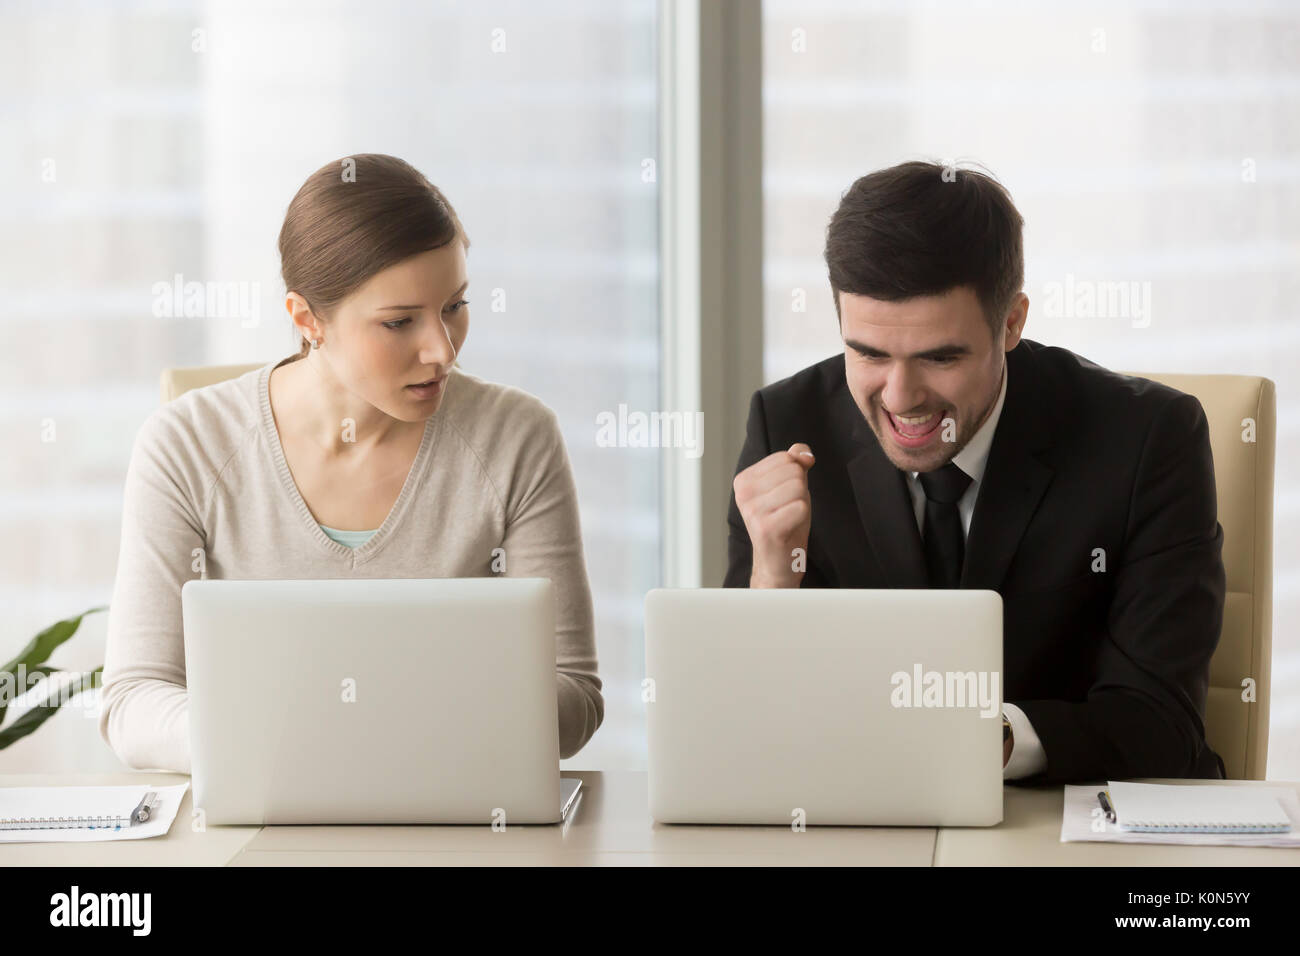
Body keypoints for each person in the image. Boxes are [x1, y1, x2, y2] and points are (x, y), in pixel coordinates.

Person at [725, 160, 1226, 784]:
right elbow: (747, 738)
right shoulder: (786, 424)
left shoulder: (1149, 440)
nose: (901, 397)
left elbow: (1161, 725)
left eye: (940, 357)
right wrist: (772, 578)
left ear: (1011, 322)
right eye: (869, 353)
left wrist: (979, 740)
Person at [100, 154, 603, 772]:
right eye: (399, 322)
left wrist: (375, 725)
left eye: (455, 306)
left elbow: (575, 698)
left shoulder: (517, 438)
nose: (442, 351)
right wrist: (282, 740)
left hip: (459, 822)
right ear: (307, 319)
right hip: (259, 820)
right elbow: (132, 701)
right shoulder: (186, 445)